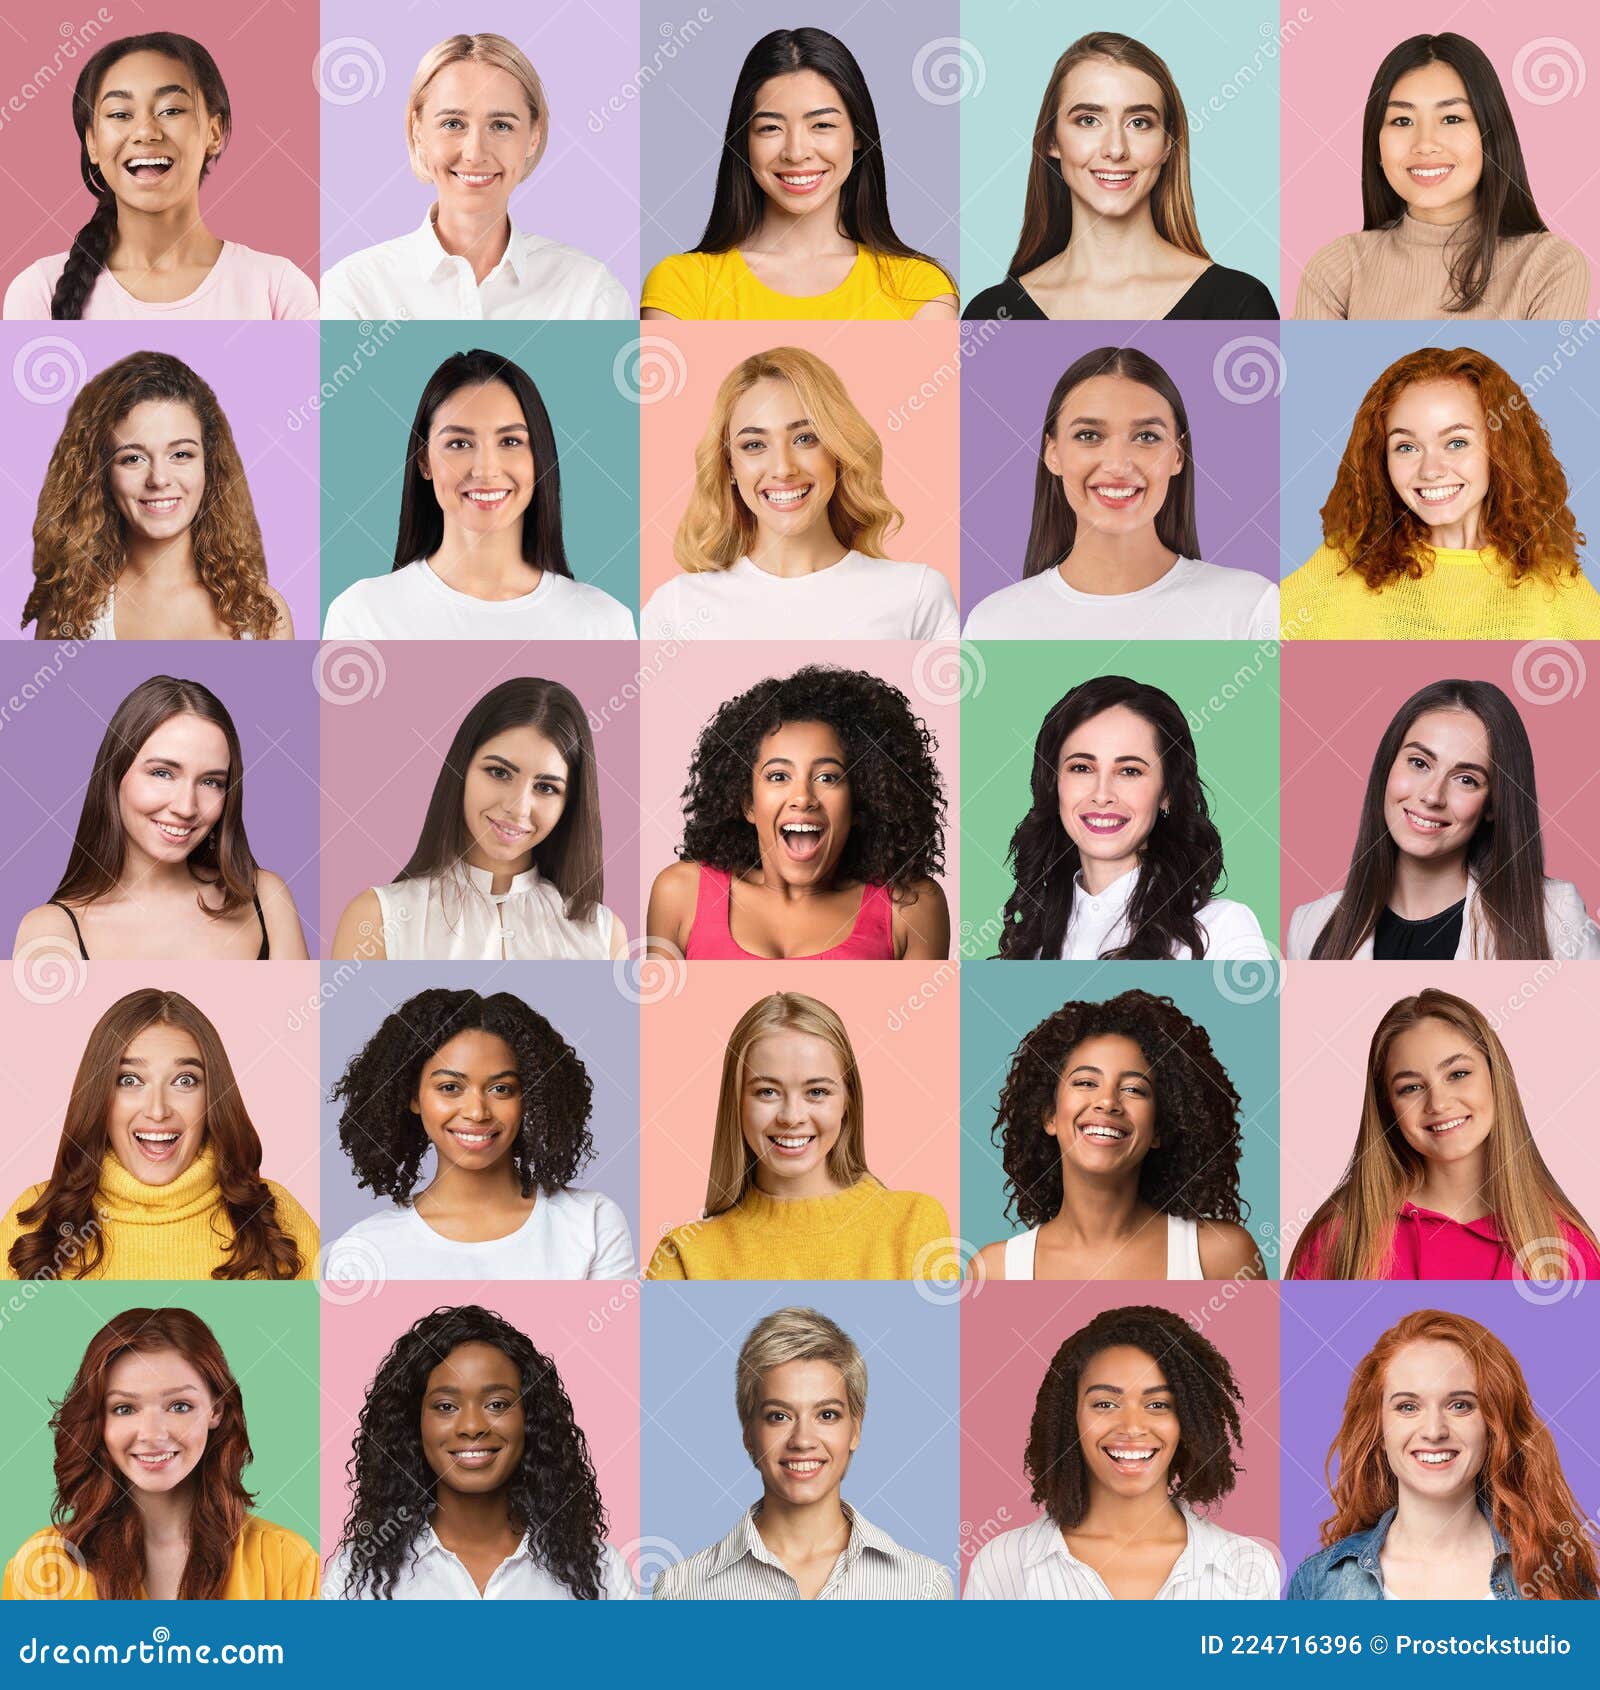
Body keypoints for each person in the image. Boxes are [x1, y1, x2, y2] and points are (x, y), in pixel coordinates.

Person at [640, 346, 957, 641]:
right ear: (730, 467)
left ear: (837, 452)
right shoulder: (677, 608)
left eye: (805, 439)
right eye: (754, 445)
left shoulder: (916, 594)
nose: (783, 468)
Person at [1280, 347, 1600, 638]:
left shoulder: (1553, 578)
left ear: (1500, 449)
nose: (1430, 470)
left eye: (1456, 443)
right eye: (1406, 447)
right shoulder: (1345, 561)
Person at [640, 28, 956, 321]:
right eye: (770, 128)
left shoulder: (919, 290)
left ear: (858, 134)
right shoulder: (682, 284)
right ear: (744, 141)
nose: (796, 151)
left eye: (822, 125)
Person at [1287, 988, 1600, 1282]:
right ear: (1388, 1107)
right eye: (1411, 1087)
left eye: (1458, 1074)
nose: (1438, 1104)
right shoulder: (1340, 1236)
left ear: (1496, 1078)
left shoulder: (1568, 1248)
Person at [0, 989, 316, 1281]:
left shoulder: (275, 1215)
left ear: (213, 1097)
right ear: (99, 1095)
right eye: (129, 1080)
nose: (157, 1110)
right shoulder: (33, 1219)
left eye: (184, 1081)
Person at [323, 1305, 635, 1598]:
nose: (472, 1426)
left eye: (497, 1404)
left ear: (530, 1419)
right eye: (446, 1406)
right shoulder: (355, 1573)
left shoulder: (603, 1572)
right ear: (413, 1425)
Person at [962, 347, 1277, 638]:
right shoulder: (995, 623)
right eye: (1089, 435)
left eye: (1146, 436)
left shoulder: (1250, 607)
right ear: (1053, 453)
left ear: (1178, 456)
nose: (1118, 464)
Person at [965, 1305, 1278, 1598]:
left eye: (1158, 1405)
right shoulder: (1003, 1565)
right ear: (1069, 1416)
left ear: (1189, 1420)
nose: (1131, 1427)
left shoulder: (1247, 1568)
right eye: (1105, 1404)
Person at [2, 1308, 317, 1598]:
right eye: (124, 1409)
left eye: (179, 1406)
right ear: (99, 1421)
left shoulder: (287, 1562)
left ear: (216, 1409)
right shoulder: (40, 1568)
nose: (153, 1434)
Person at [323, 987, 634, 1281]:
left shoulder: (591, 1223)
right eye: (450, 1088)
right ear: (413, 1097)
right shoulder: (363, 1250)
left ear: (531, 1098)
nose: (477, 1111)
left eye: (501, 1089)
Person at [322, 348, 634, 638]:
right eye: (459, 444)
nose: (485, 470)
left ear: (540, 457)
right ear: (424, 461)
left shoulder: (603, 623)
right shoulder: (362, 616)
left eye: (510, 441)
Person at [1286, 1309, 1599, 1598]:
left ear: (1493, 1426)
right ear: (1379, 1431)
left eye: (1460, 1405)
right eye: (1408, 1407)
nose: (1434, 1431)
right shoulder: (1319, 1582)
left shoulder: (1558, 1571)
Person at [964, 33, 1276, 322]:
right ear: (1052, 140)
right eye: (1088, 120)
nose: (1115, 149)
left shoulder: (1240, 304)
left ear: (1168, 143)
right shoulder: (992, 315)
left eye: (1139, 123)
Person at [4, 32, 316, 320]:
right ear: (93, 143)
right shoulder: (39, 291)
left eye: (171, 111)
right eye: (120, 114)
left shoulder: (278, 288)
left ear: (214, 132)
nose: (145, 132)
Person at [647, 665, 949, 961]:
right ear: (748, 804)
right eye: (778, 776)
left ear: (860, 802)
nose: (803, 798)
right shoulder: (679, 894)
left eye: (827, 777)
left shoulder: (911, 908)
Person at [645, 992, 954, 1280]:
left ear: (848, 1102)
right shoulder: (684, 1256)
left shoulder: (914, 1223)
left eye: (816, 1092)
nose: (792, 1117)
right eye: (767, 1092)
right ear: (736, 1103)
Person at [320, 34, 629, 321]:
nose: (475, 153)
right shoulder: (355, 291)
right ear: (418, 131)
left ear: (533, 136)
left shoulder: (591, 294)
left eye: (501, 126)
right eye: (453, 124)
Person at [1287, 679, 1600, 960]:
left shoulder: (1556, 917)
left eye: (1466, 779)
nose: (1432, 796)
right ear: (1388, 768)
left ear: (1493, 804)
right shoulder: (1310, 926)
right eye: (1419, 763)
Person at [654, 1307, 953, 1598]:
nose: (802, 1440)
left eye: (826, 1415)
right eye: (778, 1416)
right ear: (748, 1432)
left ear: (855, 1430)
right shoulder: (681, 1589)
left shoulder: (922, 1585)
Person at [11, 676, 308, 962]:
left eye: (211, 782)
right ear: (115, 775)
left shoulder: (267, 899)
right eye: (162, 773)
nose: (187, 807)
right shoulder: (51, 931)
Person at [971, 990, 1261, 1282]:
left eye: (1134, 1089)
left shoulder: (1222, 1256)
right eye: (1086, 1082)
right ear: (1049, 1115)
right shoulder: (993, 1270)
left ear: (1159, 1129)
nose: (1107, 1101)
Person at [1295, 34, 1588, 321]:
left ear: (1491, 135)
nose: (1425, 144)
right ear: (1377, 146)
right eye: (1402, 121)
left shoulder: (1550, 266)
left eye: (1451, 119)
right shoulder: (1335, 270)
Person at [331, 677, 624, 961]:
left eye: (546, 787)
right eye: (499, 772)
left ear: (568, 804)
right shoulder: (376, 919)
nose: (518, 808)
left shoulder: (603, 934)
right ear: (462, 769)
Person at [996, 675, 1268, 961]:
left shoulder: (1222, 928)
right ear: (1054, 783)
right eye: (1081, 768)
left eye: (1130, 771)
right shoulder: (1028, 944)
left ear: (1166, 793)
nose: (1102, 795)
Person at [23, 351, 290, 639]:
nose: (159, 479)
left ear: (209, 465)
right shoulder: (67, 613)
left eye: (180, 454)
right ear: (101, 474)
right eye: (132, 459)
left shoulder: (263, 613)